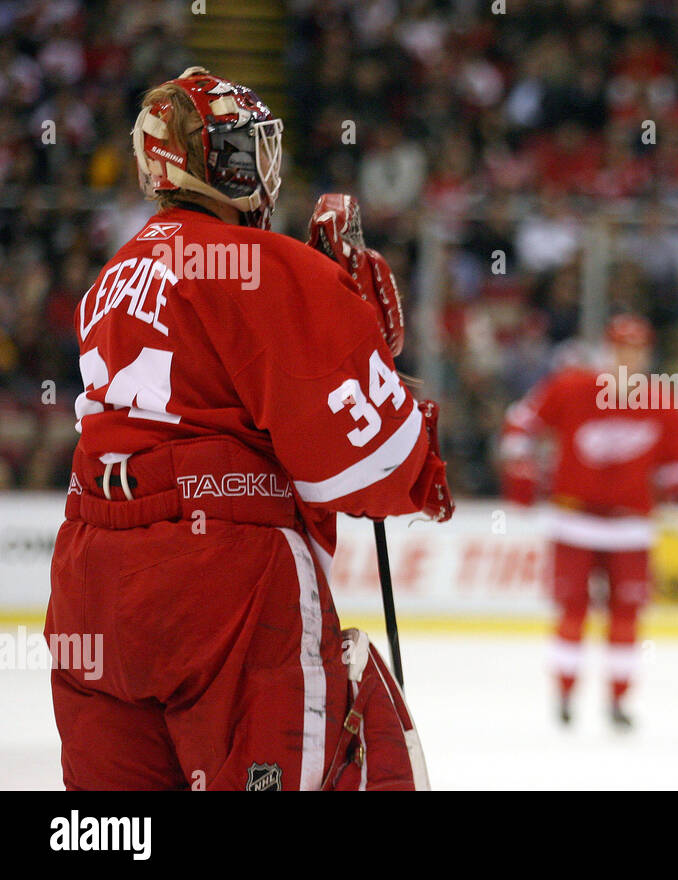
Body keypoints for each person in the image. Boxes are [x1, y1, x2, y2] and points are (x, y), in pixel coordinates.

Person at [45, 67, 454, 791]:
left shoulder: (115, 270)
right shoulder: (268, 265)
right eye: (244, 146)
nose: (261, 164)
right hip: (222, 579)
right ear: (213, 163)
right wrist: (378, 361)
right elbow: (372, 471)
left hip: (90, 577)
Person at [499, 315, 678, 729]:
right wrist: (521, 467)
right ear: (607, 349)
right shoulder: (573, 386)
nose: (628, 358)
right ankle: (564, 693)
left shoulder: (664, 402)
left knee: (626, 616)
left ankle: (618, 701)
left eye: (636, 350)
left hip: (631, 527)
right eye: (621, 348)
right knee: (572, 611)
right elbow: (520, 424)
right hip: (574, 520)